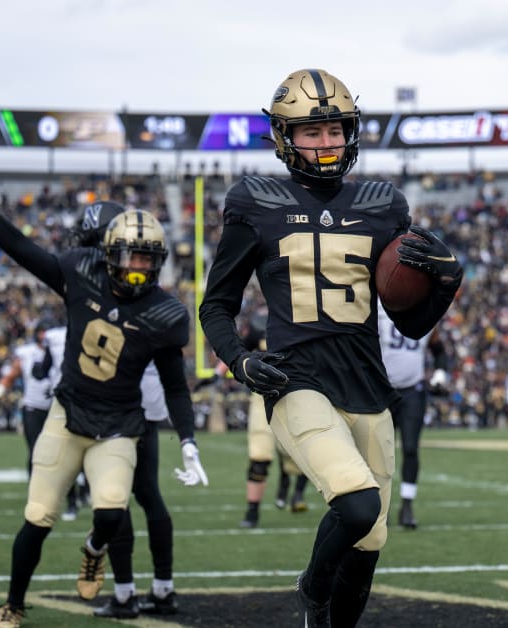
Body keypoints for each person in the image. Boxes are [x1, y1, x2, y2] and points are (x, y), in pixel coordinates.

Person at [198, 68, 461, 628]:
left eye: (335, 130)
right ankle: (311, 588)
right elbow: (215, 305)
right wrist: (239, 360)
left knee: (370, 542)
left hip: (366, 384)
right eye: (312, 132)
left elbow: (410, 326)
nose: (326, 143)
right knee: (357, 504)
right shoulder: (255, 200)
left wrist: (446, 284)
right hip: (297, 380)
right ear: (284, 137)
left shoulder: (383, 203)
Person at [0, 146, 205, 628]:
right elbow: (22, 250)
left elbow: (175, 386)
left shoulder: (165, 313)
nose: (137, 267)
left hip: (119, 427)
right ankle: (13, 604)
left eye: (147, 259)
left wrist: (187, 440)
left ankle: (94, 549)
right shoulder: (81, 272)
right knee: (38, 516)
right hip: (68, 416)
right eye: (129, 255)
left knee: (111, 512)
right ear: (108, 254)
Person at [51, 202, 206, 620]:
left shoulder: (106, 284)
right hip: (140, 405)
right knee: (147, 496)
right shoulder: (136, 291)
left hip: (117, 409)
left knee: (114, 500)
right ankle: (163, 588)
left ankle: (124, 593)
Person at [0, 323, 89, 522]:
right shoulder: (27, 353)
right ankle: (36, 497)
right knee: (35, 453)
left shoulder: (64, 348)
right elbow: (12, 373)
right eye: (41, 332)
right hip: (33, 407)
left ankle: (73, 499)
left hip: (58, 406)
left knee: (65, 454)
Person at [377, 302, 446, 530]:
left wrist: (440, 375)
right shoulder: (378, 310)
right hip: (382, 389)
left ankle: (407, 505)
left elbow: (439, 350)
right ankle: (380, 506)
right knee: (379, 451)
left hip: (413, 390)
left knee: (410, 448)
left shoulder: (425, 314)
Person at [237, 316, 310, 529]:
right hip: (262, 396)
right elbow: (238, 351)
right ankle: (252, 511)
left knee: (302, 453)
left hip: (296, 394)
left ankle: (294, 490)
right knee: (259, 456)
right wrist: (220, 372)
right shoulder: (260, 324)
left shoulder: (305, 320)